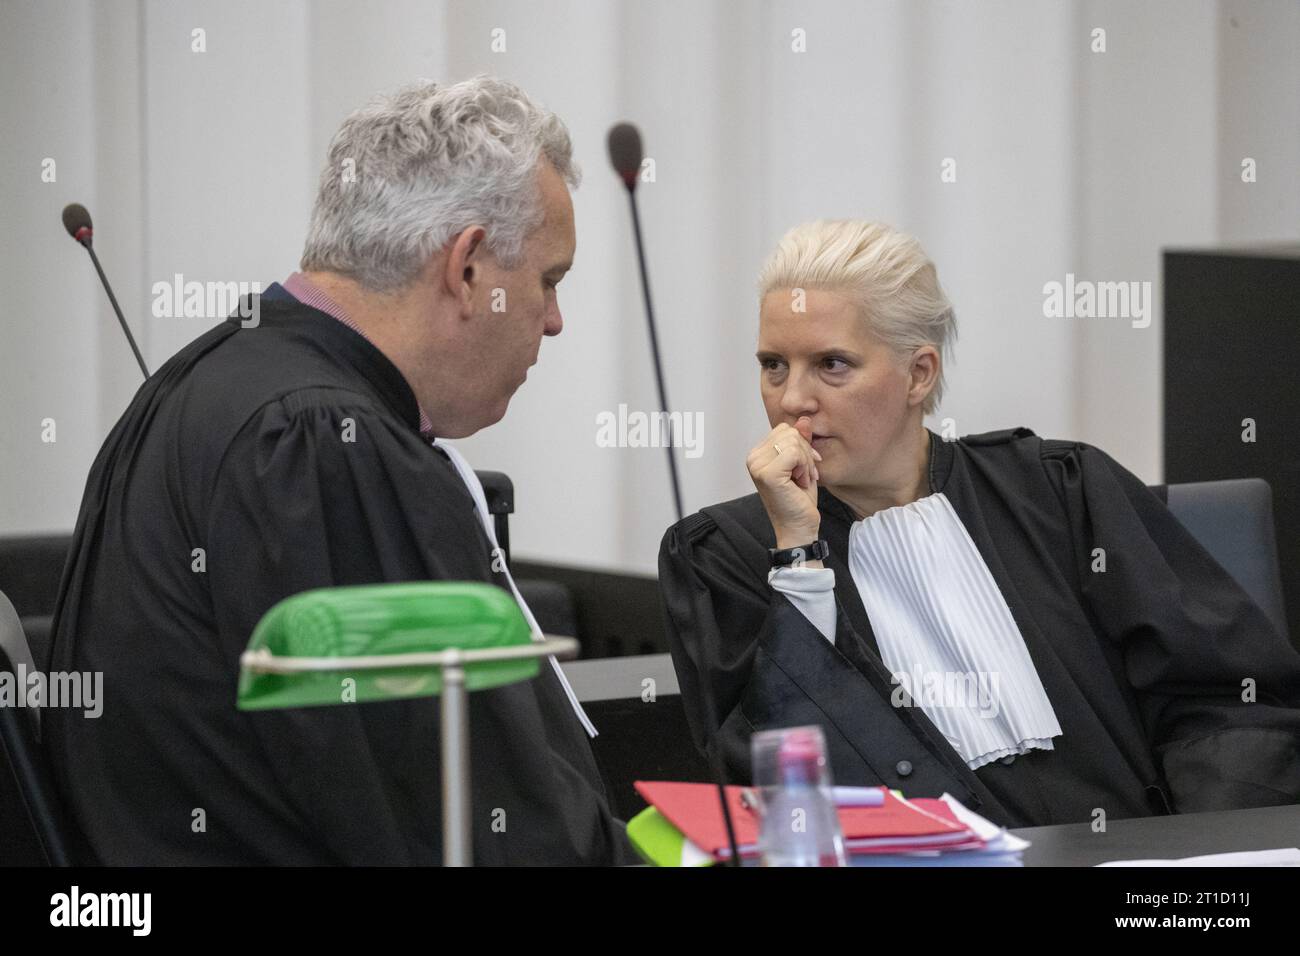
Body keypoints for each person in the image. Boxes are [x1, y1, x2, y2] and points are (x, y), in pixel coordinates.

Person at [47, 76, 633, 864]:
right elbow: (466, 824)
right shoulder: (324, 445)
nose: (555, 321)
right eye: (548, 280)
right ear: (465, 268)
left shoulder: (206, 383)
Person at [659, 219, 1300, 829]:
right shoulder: (726, 556)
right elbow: (772, 786)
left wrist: (1200, 865)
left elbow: (1228, 702)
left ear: (919, 374)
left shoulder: (1061, 490)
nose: (793, 398)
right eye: (774, 365)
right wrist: (799, 558)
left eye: (832, 364)